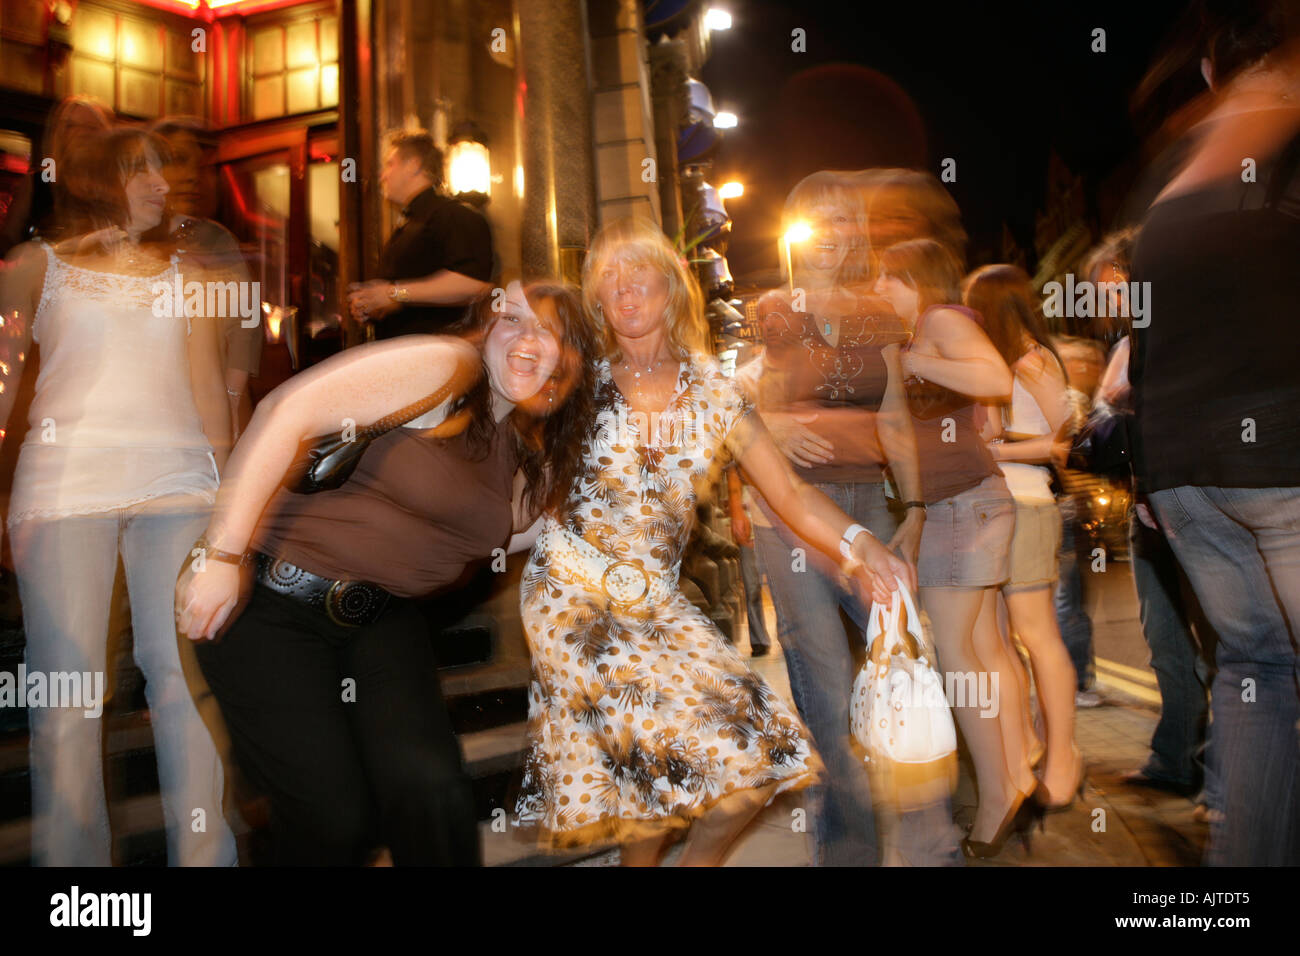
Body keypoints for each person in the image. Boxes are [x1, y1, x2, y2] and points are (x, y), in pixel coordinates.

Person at [515, 218, 915, 867]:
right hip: (572, 598)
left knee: (757, 769)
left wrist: (862, 542)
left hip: (656, 602)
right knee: (654, 779)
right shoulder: (579, 381)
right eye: (608, 278)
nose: (624, 287)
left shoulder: (712, 391)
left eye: (637, 270)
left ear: (672, 288)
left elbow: (788, 494)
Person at [175, 279, 596, 865]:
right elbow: (285, 410)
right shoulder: (443, 368)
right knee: (333, 822)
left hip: (381, 622)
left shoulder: (523, 450)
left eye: (548, 330)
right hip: (272, 604)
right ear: (486, 329)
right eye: (512, 319)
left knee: (434, 796)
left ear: (567, 357)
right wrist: (222, 556)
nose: (528, 339)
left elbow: (536, 531)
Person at [0, 125, 234, 866]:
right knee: (67, 700)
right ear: (100, 179)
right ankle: (73, 883)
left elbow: (210, 398)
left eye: (166, 170)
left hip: (180, 488)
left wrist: (232, 516)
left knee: (188, 687)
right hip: (63, 493)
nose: (163, 184)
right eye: (143, 170)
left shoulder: (190, 277)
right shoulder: (34, 268)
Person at [1129, 0, 1300, 865]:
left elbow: (1142, 346)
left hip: (1186, 471)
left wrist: (1148, 478)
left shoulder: (1174, 177)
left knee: (1254, 667)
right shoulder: (1279, 147)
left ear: (1208, 72)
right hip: (1279, 452)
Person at [747, 171, 927, 866]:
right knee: (824, 689)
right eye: (816, 217)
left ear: (855, 232)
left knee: (907, 665)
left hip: (873, 509)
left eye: (842, 217)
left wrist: (913, 509)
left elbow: (896, 418)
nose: (831, 229)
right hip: (791, 519)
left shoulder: (878, 312)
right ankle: (850, 854)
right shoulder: (775, 308)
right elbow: (749, 401)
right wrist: (772, 426)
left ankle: (931, 835)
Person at [873, 239, 1034, 860]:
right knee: (989, 649)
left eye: (890, 276)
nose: (881, 286)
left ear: (918, 277)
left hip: (963, 507)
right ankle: (1015, 776)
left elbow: (996, 377)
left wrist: (916, 364)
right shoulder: (927, 328)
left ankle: (997, 799)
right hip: (972, 500)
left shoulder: (940, 320)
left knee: (961, 660)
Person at [964, 264, 1084, 815]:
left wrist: (996, 451)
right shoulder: (996, 364)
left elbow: (1063, 442)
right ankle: (1031, 743)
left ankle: (1064, 756)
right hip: (991, 507)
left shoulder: (1032, 360)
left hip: (1029, 505)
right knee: (1000, 637)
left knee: (1038, 635)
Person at [151, 118, 262, 439]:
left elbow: (246, 327)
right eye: (177, 161)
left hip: (212, 405)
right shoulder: (126, 241)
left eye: (197, 166)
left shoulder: (215, 239)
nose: (191, 176)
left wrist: (229, 400)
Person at [347, 129, 494, 339]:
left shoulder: (453, 214)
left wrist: (394, 293)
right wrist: (372, 304)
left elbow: (473, 286)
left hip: (440, 359)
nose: (382, 175)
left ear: (413, 165)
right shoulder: (409, 223)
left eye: (390, 164)